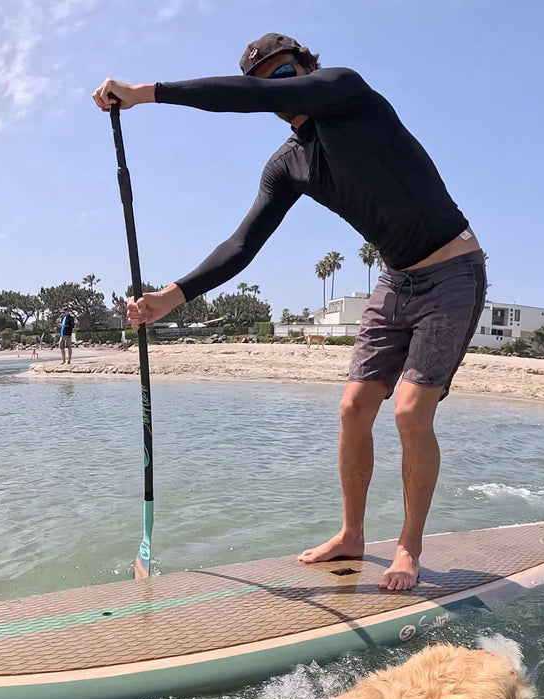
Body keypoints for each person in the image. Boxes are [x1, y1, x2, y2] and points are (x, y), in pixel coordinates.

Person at [92, 33, 486, 591]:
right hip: (395, 280)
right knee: (353, 408)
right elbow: (242, 245)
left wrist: (147, 94)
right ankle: (352, 535)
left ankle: (408, 546)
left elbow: (236, 97)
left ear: (308, 66)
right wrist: (169, 297)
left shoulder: (348, 91)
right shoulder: (288, 165)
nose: (280, 90)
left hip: (451, 271)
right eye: (265, 85)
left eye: (286, 74)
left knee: (409, 412)